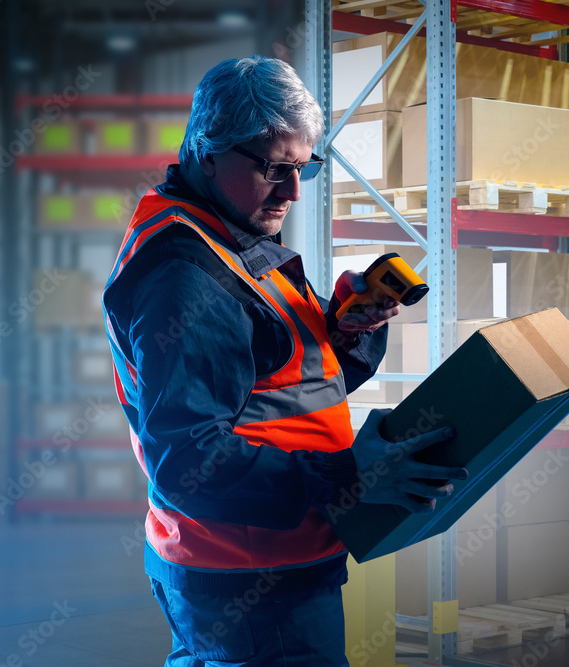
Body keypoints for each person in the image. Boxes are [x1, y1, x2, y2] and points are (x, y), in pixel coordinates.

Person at [102, 56, 468, 667]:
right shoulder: (187, 278)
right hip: (251, 579)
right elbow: (187, 461)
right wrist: (348, 476)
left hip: (254, 564)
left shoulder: (228, 234)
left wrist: (343, 330)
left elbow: (283, 383)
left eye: (304, 167)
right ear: (208, 151)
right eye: (275, 168)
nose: (294, 191)